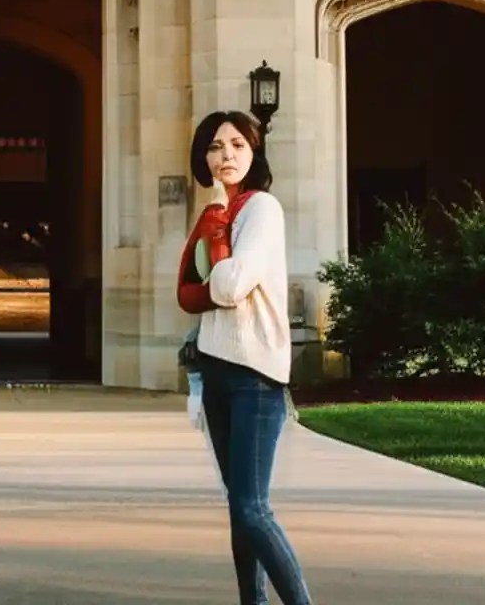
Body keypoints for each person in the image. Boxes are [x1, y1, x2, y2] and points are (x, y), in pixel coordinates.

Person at [176, 110, 313, 605]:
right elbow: (186, 293)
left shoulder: (261, 209)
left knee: (253, 509)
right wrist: (214, 226)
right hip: (215, 370)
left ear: (254, 153)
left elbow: (230, 287)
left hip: (255, 376)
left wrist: (216, 240)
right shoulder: (218, 210)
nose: (225, 154)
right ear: (203, 156)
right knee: (239, 509)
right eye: (215, 146)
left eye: (237, 144)